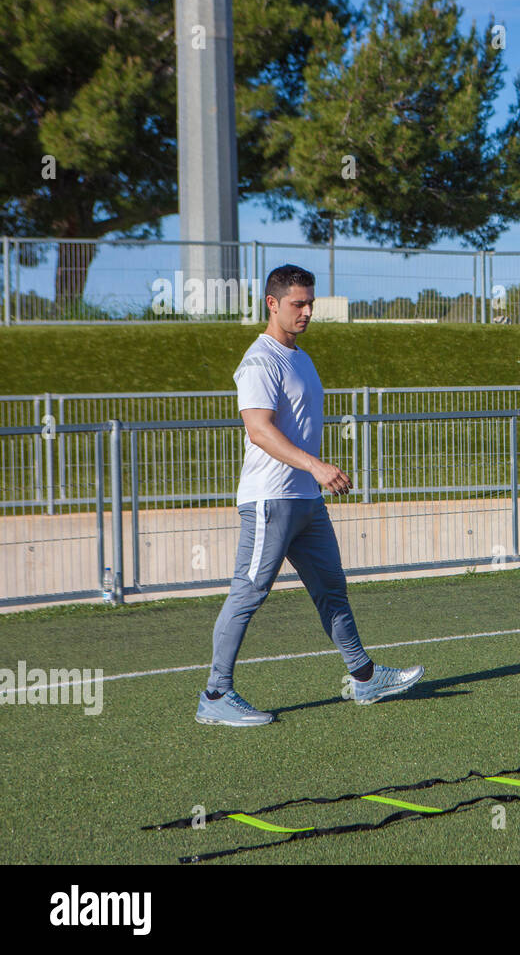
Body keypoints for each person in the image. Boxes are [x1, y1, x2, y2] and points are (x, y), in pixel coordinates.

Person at [196, 264, 423, 726]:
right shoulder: (259, 361)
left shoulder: (300, 356)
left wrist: (313, 477)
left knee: (331, 590)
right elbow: (259, 431)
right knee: (249, 592)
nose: (307, 312)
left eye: (310, 303)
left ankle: (365, 678)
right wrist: (317, 466)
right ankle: (215, 695)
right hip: (270, 499)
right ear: (272, 304)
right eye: (297, 304)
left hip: (305, 501)